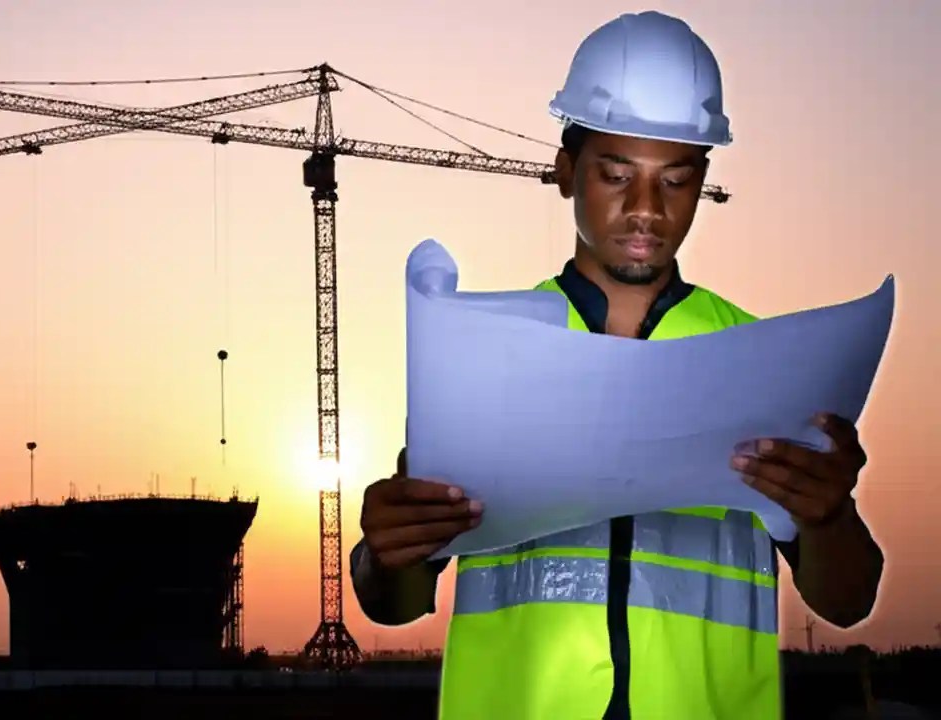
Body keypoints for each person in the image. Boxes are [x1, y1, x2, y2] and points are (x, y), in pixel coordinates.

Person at [350, 10, 885, 720]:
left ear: (702, 181)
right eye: (615, 174)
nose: (646, 210)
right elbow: (397, 606)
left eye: (675, 181)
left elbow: (848, 603)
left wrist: (829, 516)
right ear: (565, 169)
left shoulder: (762, 360)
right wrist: (387, 552)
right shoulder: (481, 354)